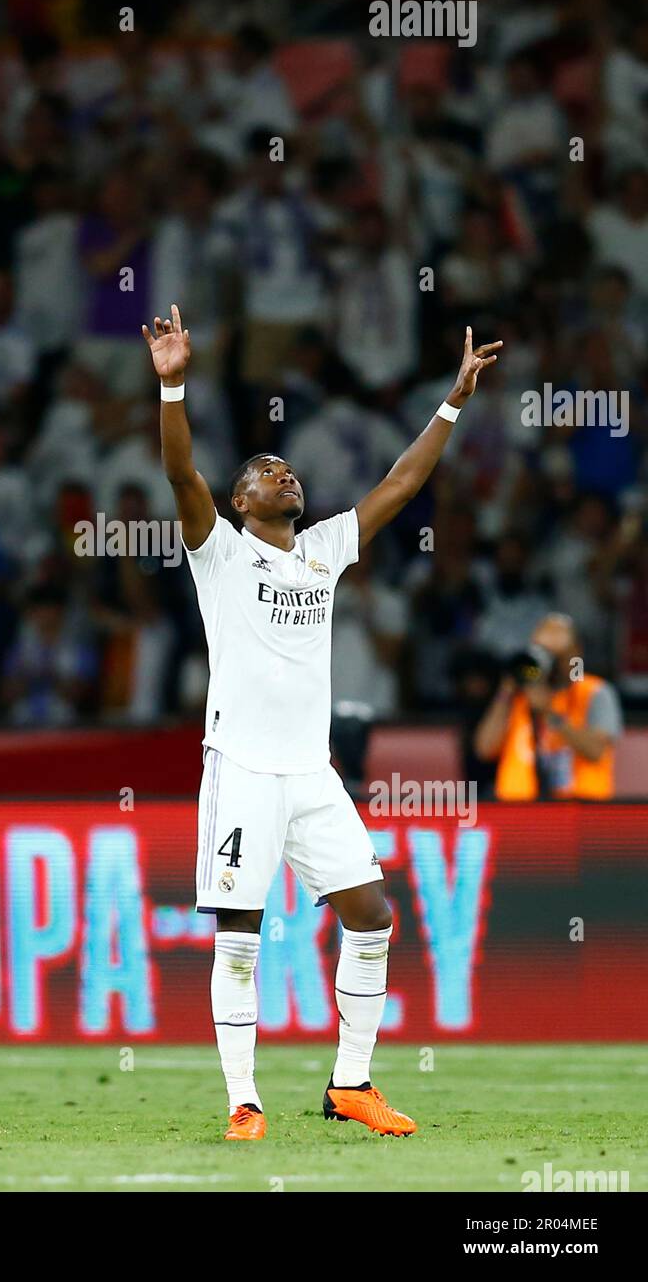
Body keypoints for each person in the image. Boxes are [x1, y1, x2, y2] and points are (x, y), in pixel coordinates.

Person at [146, 303, 500, 1142]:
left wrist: (453, 399)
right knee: (242, 934)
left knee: (372, 914)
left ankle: (351, 1085)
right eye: (269, 471)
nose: (286, 475)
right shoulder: (221, 550)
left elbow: (402, 484)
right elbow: (180, 476)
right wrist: (173, 388)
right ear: (241, 500)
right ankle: (243, 1099)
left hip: (311, 773)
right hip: (242, 766)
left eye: (290, 470)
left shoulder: (323, 549)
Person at [472, 613, 623, 800]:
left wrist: (549, 714)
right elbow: (484, 749)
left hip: (581, 814)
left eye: (556, 655)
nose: (549, 663)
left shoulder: (594, 692)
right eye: (541, 652)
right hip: (519, 813)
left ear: (575, 655)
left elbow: (596, 750)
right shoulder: (519, 694)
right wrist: (506, 689)